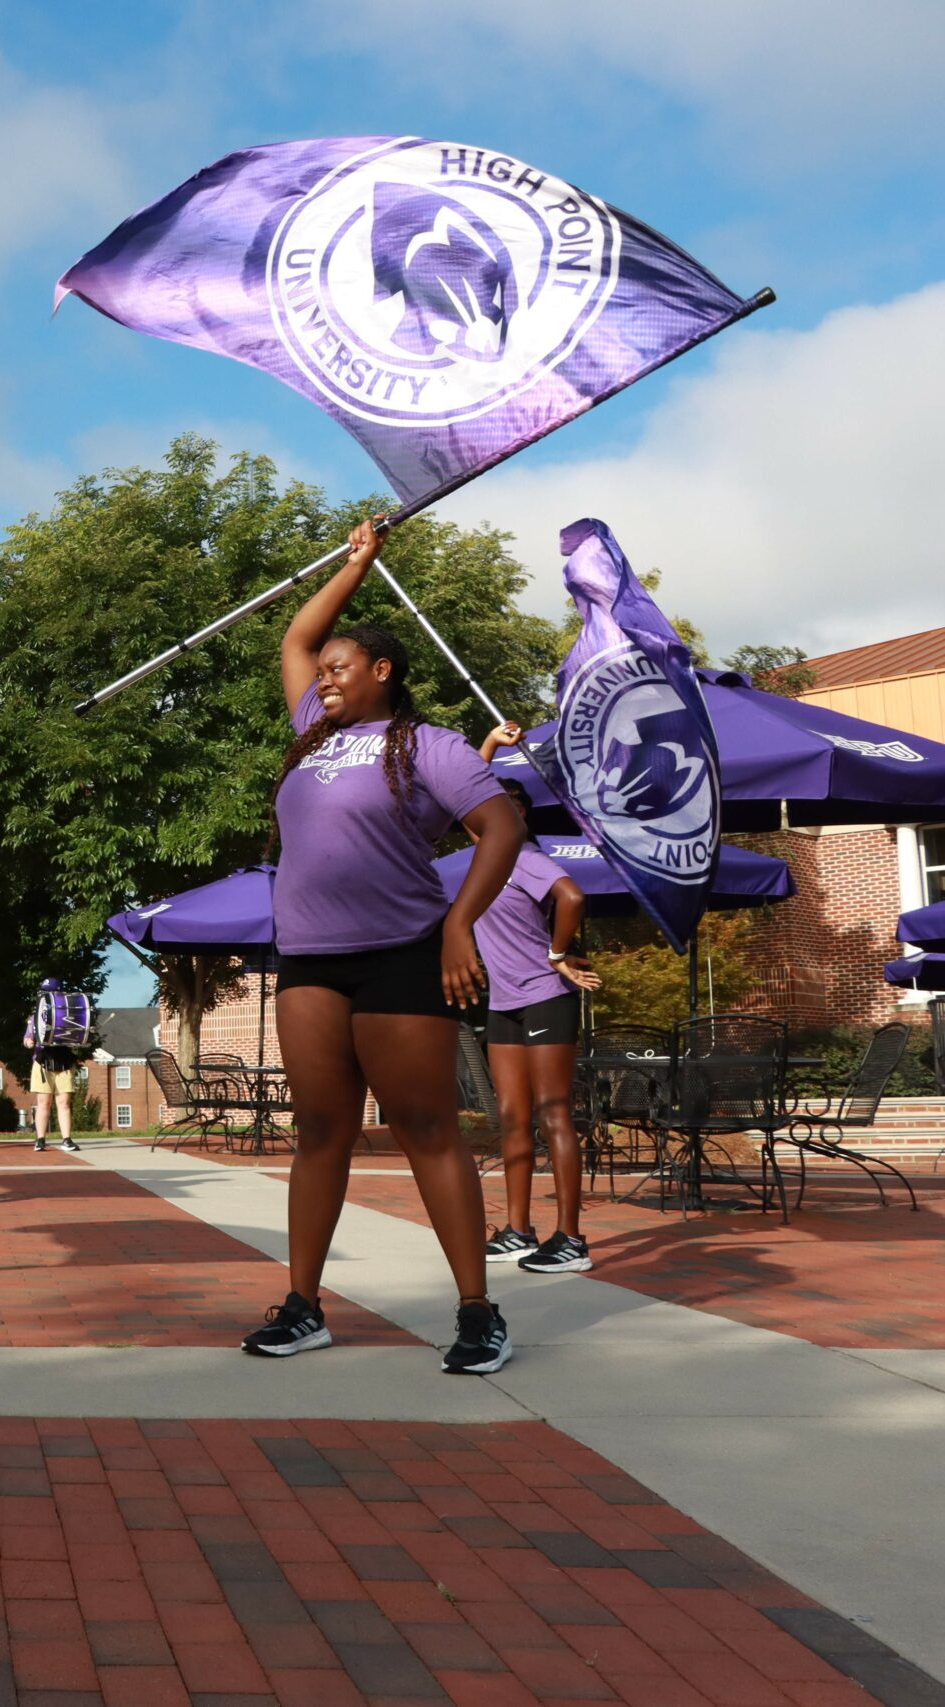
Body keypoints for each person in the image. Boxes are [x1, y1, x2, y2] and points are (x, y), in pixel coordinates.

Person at [245, 517, 522, 1376]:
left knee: (426, 1126)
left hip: (402, 951)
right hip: (310, 960)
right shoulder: (312, 731)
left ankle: (478, 1311)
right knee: (320, 1129)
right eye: (323, 671)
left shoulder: (431, 747)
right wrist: (356, 563)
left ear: (383, 671)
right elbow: (297, 637)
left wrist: (459, 922)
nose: (324, 675)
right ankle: (304, 1306)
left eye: (342, 667)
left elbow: (502, 828)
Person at [468, 756, 604, 1275]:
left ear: (522, 816)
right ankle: (519, 1230)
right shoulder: (485, 858)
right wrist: (487, 744)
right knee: (511, 1118)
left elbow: (572, 896)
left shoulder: (526, 858)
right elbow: (462, 793)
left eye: (513, 806)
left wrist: (557, 953)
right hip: (503, 1003)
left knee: (553, 1115)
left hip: (546, 996)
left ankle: (571, 1239)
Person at [26, 979, 79, 1154]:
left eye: (50, 992)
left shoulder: (69, 1015)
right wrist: (29, 1042)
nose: (46, 995)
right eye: (44, 992)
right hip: (43, 1060)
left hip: (64, 1061)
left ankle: (67, 1139)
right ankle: (40, 1139)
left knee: (64, 1102)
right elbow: (27, 1038)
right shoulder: (35, 1016)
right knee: (44, 1102)